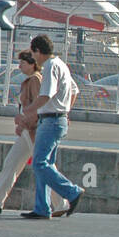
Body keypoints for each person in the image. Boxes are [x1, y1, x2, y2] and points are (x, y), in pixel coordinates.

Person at [0, 51, 67, 216]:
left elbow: (39, 107)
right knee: (12, 162)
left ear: (32, 63)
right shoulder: (31, 80)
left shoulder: (35, 80)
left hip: (33, 130)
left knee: (44, 167)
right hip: (28, 130)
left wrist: (24, 122)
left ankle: (62, 203)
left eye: (22, 63)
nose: (19, 66)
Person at [19, 34, 85, 220]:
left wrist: (27, 112)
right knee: (45, 164)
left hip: (50, 120)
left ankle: (72, 192)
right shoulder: (61, 64)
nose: (33, 57)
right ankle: (42, 207)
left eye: (33, 53)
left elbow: (45, 96)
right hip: (57, 119)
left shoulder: (49, 66)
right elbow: (73, 90)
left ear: (38, 51)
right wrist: (66, 111)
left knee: (39, 163)